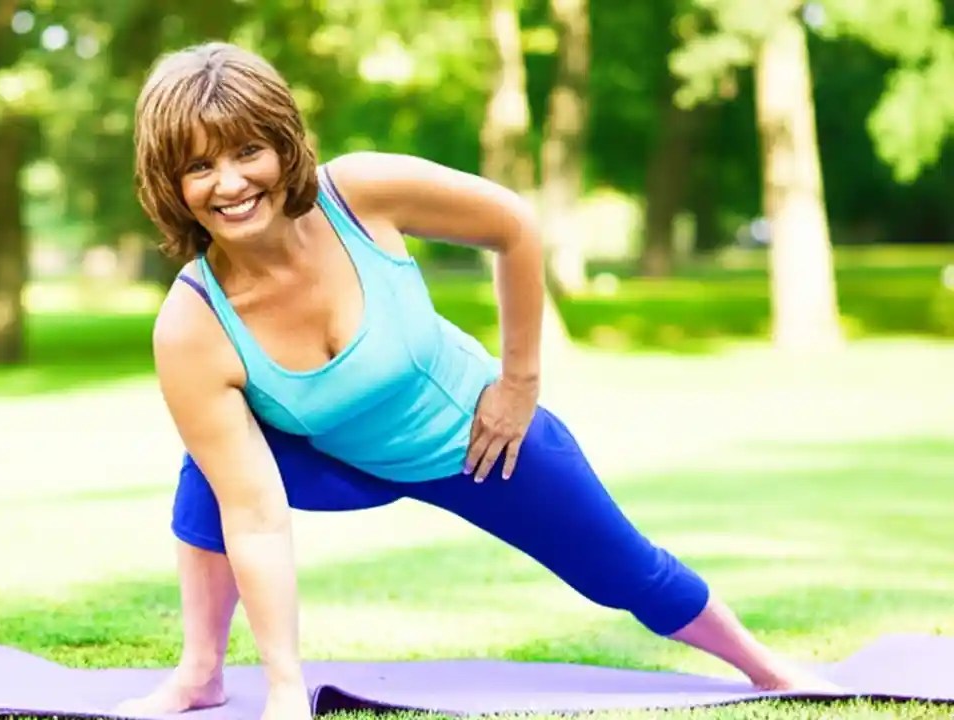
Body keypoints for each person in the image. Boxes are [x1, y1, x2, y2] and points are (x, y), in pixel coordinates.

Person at [118, 42, 836, 720]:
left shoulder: (358, 193)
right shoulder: (192, 324)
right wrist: (284, 691)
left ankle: (764, 665)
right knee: (212, 471)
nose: (232, 182)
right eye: (201, 166)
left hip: (480, 444)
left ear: (284, 145)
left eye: (249, 150)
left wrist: (519, 385)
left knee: (626, 573)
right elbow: (255, 519)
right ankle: (201, 673)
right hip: (338, 460)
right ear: (170, 184)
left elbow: (513, 225)